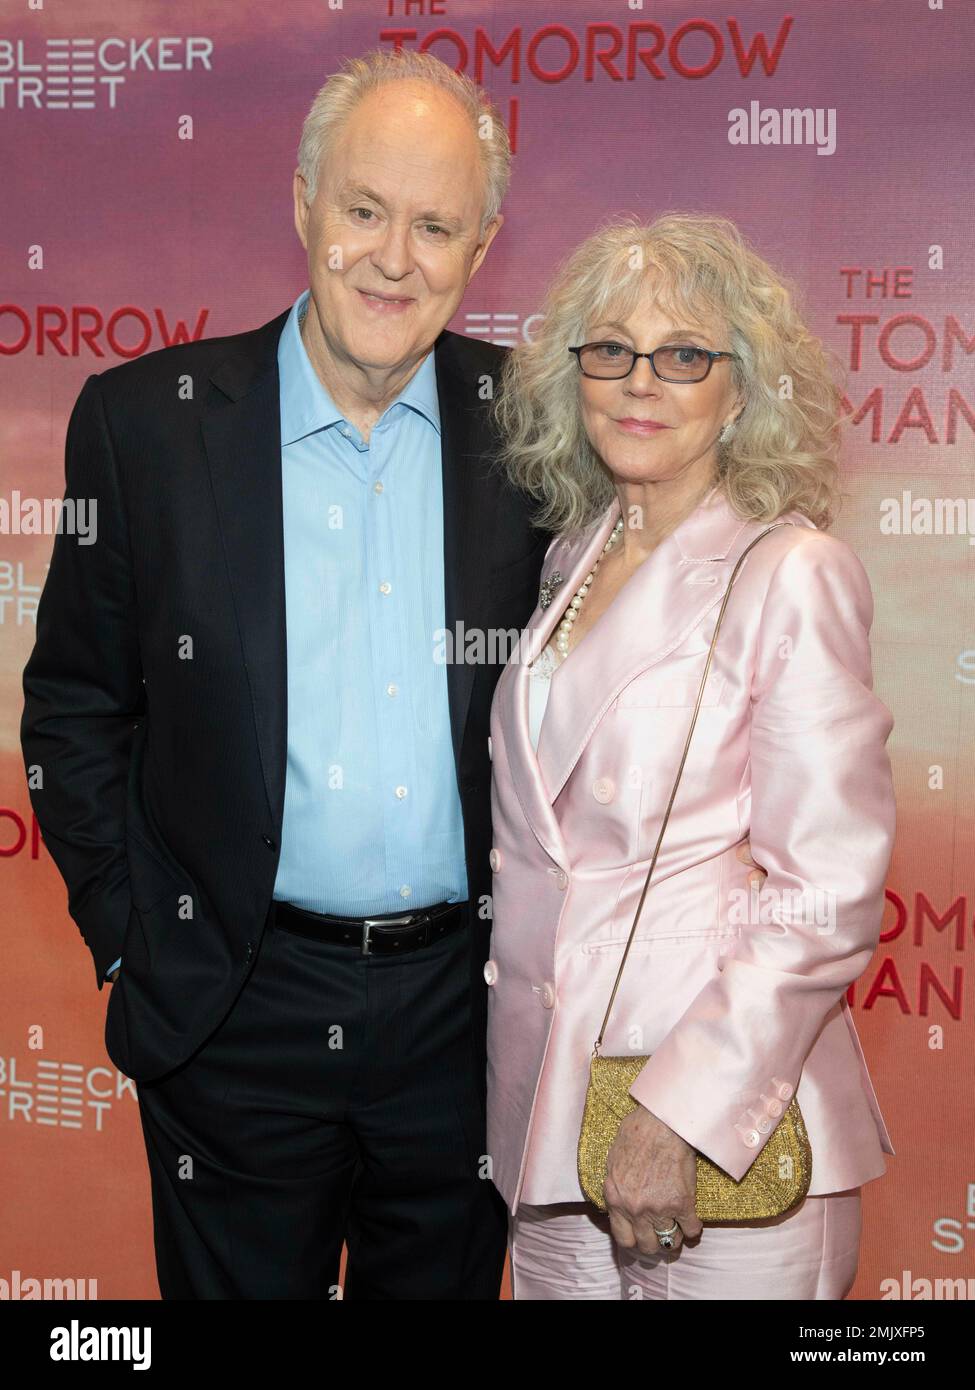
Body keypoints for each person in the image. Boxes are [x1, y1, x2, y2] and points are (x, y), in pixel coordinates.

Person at [485, 212, 897, 1300]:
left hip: (722, 1133)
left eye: (685, 357)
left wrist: (681, 1112)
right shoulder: (570, 559)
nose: (640, 382)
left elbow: (829, 889)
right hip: (549, 1121)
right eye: (611, 349)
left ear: (743, 391)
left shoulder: (789, 571)